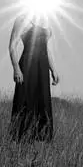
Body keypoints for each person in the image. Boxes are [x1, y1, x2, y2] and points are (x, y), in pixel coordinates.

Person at [8, 13, 60, 142]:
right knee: (24, 102)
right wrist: (16, 68)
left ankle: (39, 141)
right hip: (27, 67)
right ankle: (19, 140)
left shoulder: (46, 20)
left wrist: (53, 69)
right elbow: (12, 46)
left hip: (42, 69)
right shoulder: (22, 19)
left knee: (42, 102)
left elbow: (47, 49)